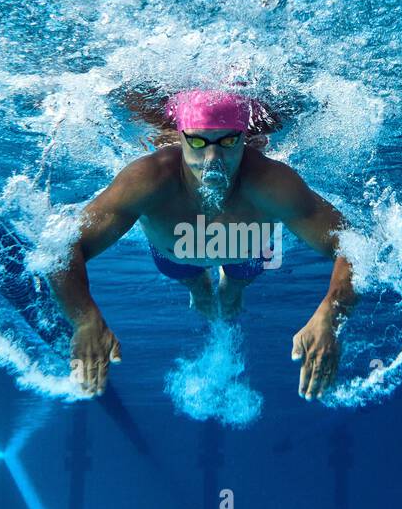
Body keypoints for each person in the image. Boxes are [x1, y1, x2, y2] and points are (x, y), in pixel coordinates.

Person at [49, 88, 357, 401]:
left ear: (243, 138)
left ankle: (232, 288)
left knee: (237, 283)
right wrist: (84, 319)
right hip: (175, 255)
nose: (213, 158)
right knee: (188, 275)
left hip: (248, 250)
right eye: (197, 142)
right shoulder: (147, 180)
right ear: (180, 138)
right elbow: (62, 247)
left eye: (228, 142)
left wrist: (330, 315)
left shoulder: (272, 185)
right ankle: (199, 289)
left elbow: (355, 245)